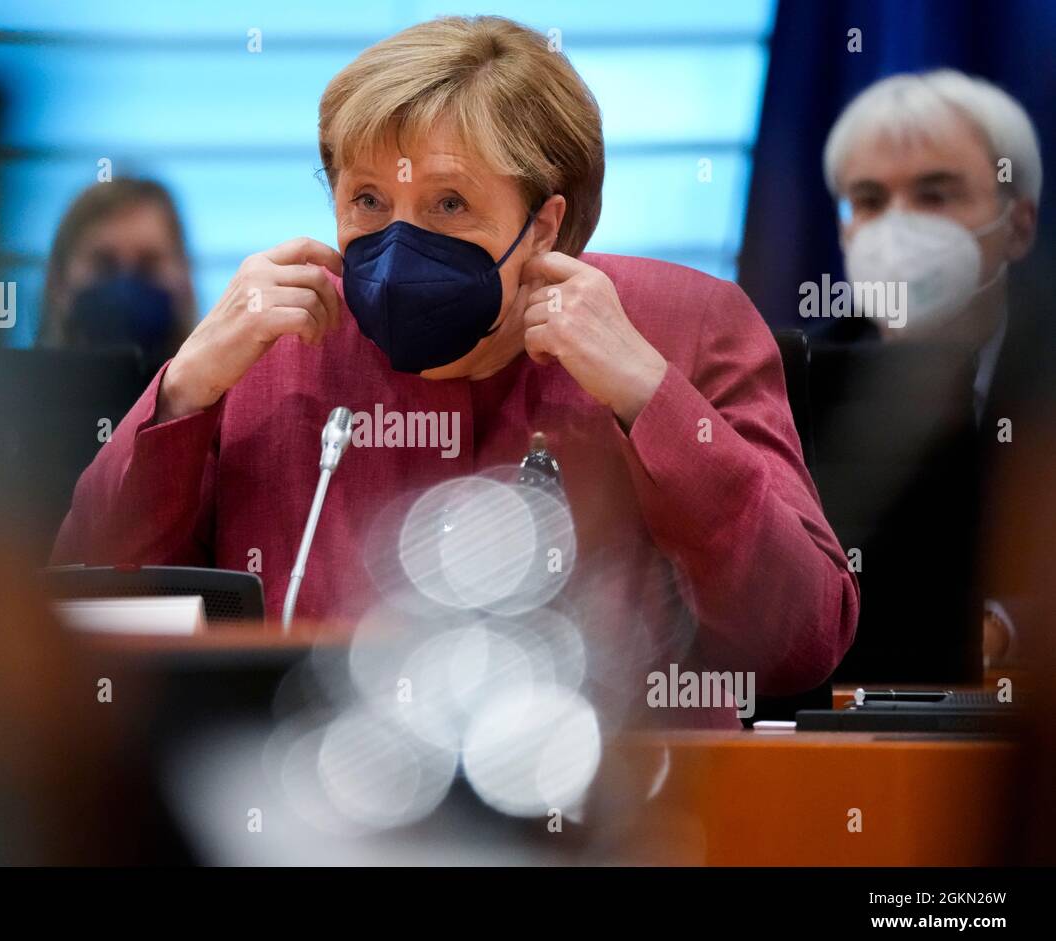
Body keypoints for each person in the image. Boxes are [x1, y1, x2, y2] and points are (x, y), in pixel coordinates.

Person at [52, 15, 858, 719]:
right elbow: (88, 620)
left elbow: (799, 642)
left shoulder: (684, 327)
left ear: (544, 225)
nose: (400, 242)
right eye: (368, 200)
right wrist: (183, 392)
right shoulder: (274, 345)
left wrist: (652, 399)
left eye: (448, 204)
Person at [817, 69, 1042, 676]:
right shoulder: (794, 381)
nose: (897, 228)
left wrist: (1011, 628)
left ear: (1019, 224)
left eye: (935, 196)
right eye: (869, 202)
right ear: (844, 230)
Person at [38, 177, 196, 369]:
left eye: (148, 264)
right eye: (104, 264)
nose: (125, 286)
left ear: (184, 278)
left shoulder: (222, 396)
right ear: (59, 280)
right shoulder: (11, 394)